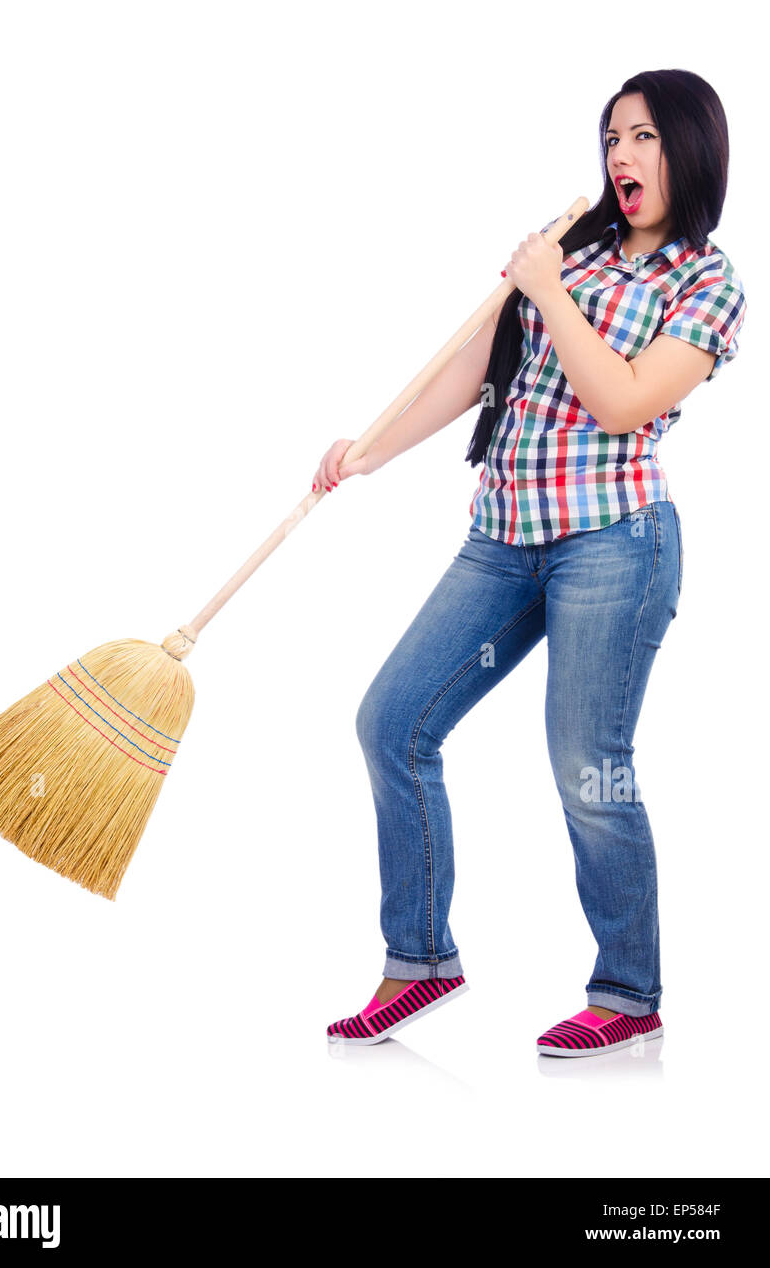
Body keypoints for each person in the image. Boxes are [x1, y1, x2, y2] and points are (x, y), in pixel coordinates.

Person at [313, 69, 747, 1057]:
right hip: (504, 535)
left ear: (690, 147)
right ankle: (421, 961)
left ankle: (629, 990)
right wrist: (367, 451)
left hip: (616, 542)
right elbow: (476, 376)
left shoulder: (706, 283)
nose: (621, 157)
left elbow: (626, 401)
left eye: (642, 136)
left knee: (588, 767)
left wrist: (547, 289)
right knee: (392, 722)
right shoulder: (577, 256)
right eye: (612, 139)